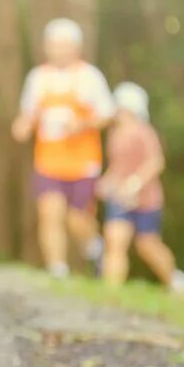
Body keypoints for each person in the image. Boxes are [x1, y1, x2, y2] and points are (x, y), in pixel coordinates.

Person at [12, 18, 114, 278]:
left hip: (83, 161)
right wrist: (22, 125)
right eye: (55, 45)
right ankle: (57, 269)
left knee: (77, 219)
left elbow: (106, 115)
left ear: (77, 48)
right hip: (48, 160)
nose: (60, 50)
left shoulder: (89, 77)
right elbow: (29, 114)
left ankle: (94, 247)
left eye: (66, 45)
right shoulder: (38, 77)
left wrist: (81, 124)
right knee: (49, 212)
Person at [99, 82, 184, 292]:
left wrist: (135, 184)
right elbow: (117, 166)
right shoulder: (115, 134)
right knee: (115, 240)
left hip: (146, 199)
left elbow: (156, 161)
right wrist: (106, 182)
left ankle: (174, 281)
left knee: (147, 245)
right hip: (121, 199)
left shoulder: (144, 132)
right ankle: (111, 291)